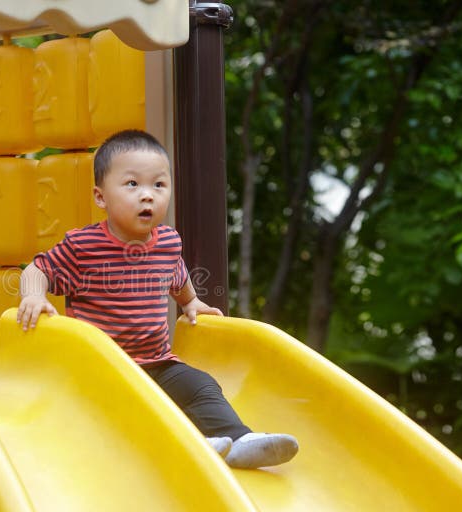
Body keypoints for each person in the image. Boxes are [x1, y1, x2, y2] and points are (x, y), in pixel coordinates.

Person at [17, 129, 298, 469]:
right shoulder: (83, 247)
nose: (147, 195)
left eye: (159, 185)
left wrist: (190, 301)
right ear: (101, 196)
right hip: (101, 368)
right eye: (132, 184)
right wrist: (33, 295)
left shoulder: (167, 241)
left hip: (157, 362)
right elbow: (38, 268)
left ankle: (239, 439)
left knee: (200, 384)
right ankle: (191, 443)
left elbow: (175, 274)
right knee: (138, 403)